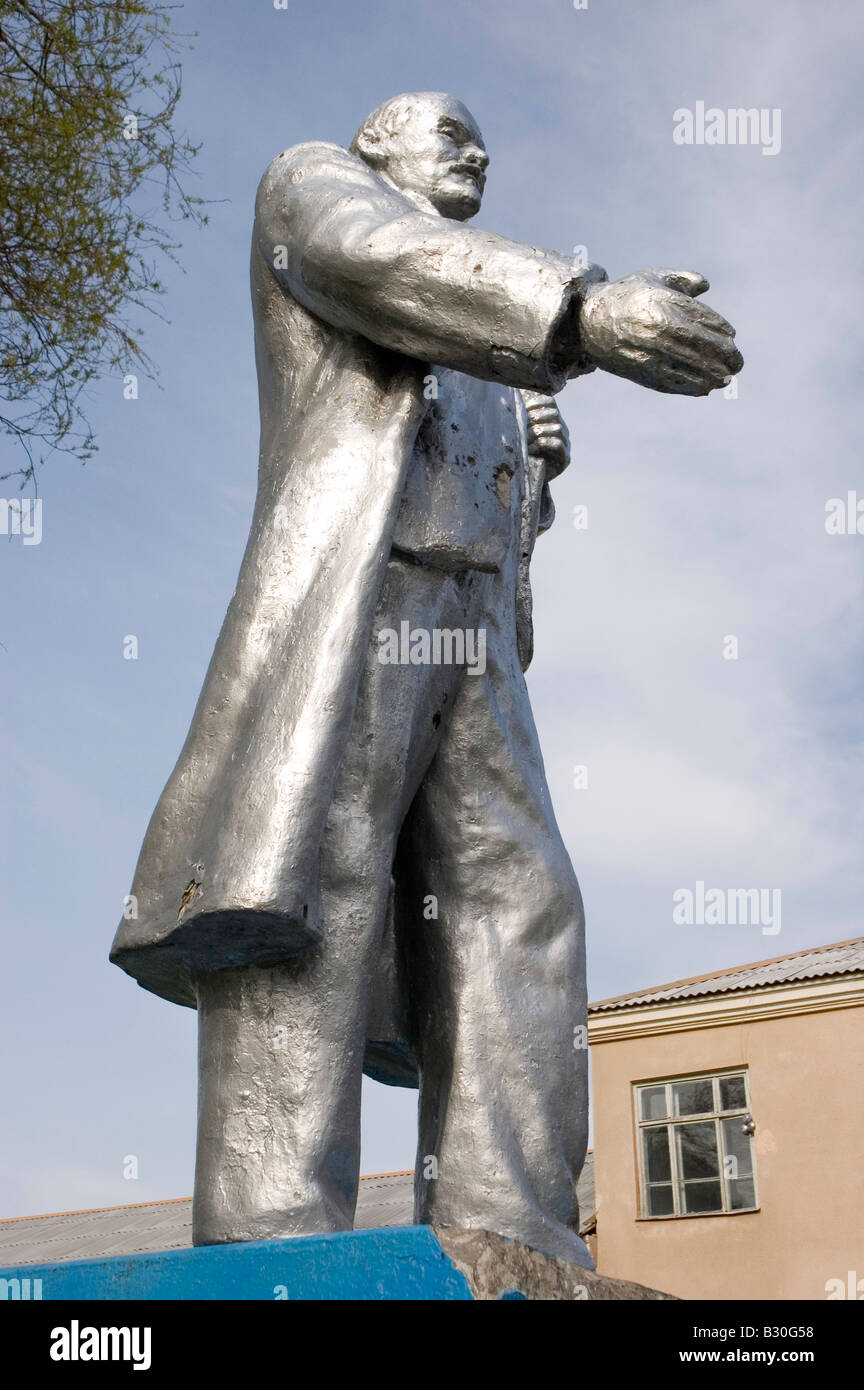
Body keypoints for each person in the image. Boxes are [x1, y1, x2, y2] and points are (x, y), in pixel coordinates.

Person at [111, 92, 742, 1264]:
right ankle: (277, 1237)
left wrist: (534, 469)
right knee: (315, 896)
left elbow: (483, 491)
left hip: (472, 629)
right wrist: (581, 309)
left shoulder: (484, 329)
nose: (476, 147)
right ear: (374, 146)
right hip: (366, 606)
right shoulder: (312, 185)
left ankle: (510, 1218)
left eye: (483, 135)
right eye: (446, 128)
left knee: (522, 898)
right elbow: (384, 263)